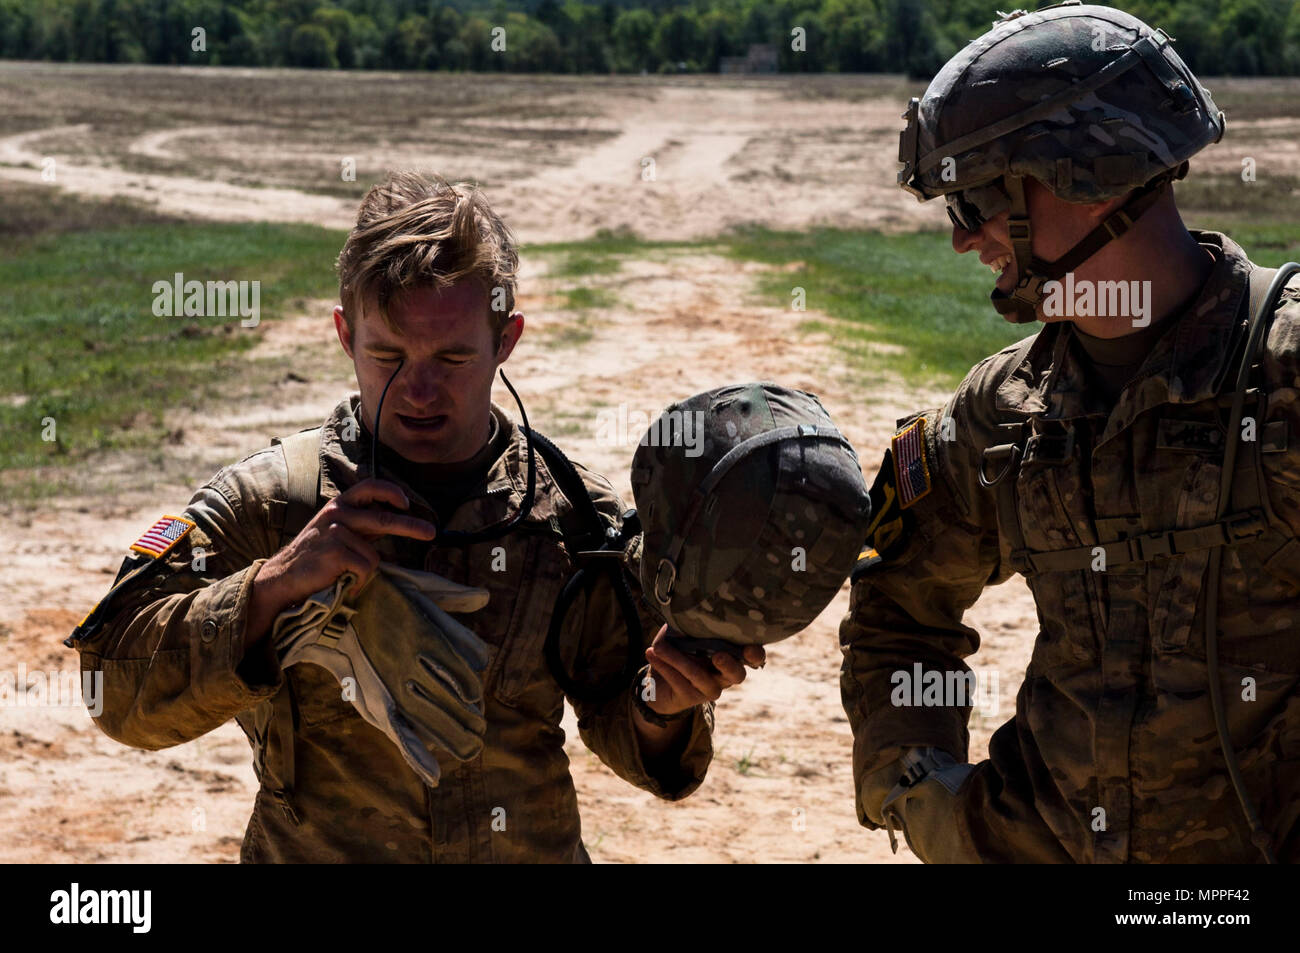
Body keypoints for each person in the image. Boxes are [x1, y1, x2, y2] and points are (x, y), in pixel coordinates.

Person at [69, 170, 762, 863]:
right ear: (345, 335)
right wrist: (271, 588)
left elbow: (632, 727)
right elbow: (113, 688)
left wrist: (662, 707)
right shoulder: (275, 502)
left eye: (454, 355)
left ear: (506, 341)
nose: (420, 390)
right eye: (388, 355)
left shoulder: (572, 517)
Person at [840, 2, 1300, 863]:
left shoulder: (1283, 375)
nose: (963, 239)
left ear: (1087, 170)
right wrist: (921, 788)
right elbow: (898, 601)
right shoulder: (1001, 412)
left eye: (976, 199)